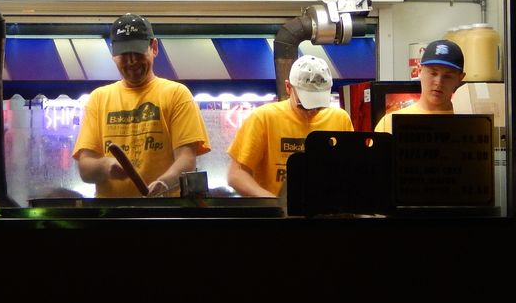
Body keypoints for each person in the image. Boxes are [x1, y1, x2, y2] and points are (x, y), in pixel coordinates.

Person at [72, 13, 211, 197]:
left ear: (154, 47)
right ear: (113, 54)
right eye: (124, 54)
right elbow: (85, 169)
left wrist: (163, 183)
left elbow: (186, 160)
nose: (132, 61)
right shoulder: (98, 98)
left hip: (165, 210)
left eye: (137, 52)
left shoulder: (177, 94)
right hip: (110, 212)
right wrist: (105, 165)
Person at [227, 54, 353, 197]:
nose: (312, 110)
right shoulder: (264, 118)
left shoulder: (340, 119)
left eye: (318, 105)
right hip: (276, 209)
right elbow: (236, 174)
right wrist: (273, 202)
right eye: (304, 104)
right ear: (288, 87)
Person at [374, 39, 466, 134]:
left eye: (447, 76)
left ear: (460, 78)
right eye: (433, 73)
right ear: (419, 71)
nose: (438, 82)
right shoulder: (389, 123)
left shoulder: (470, 123)